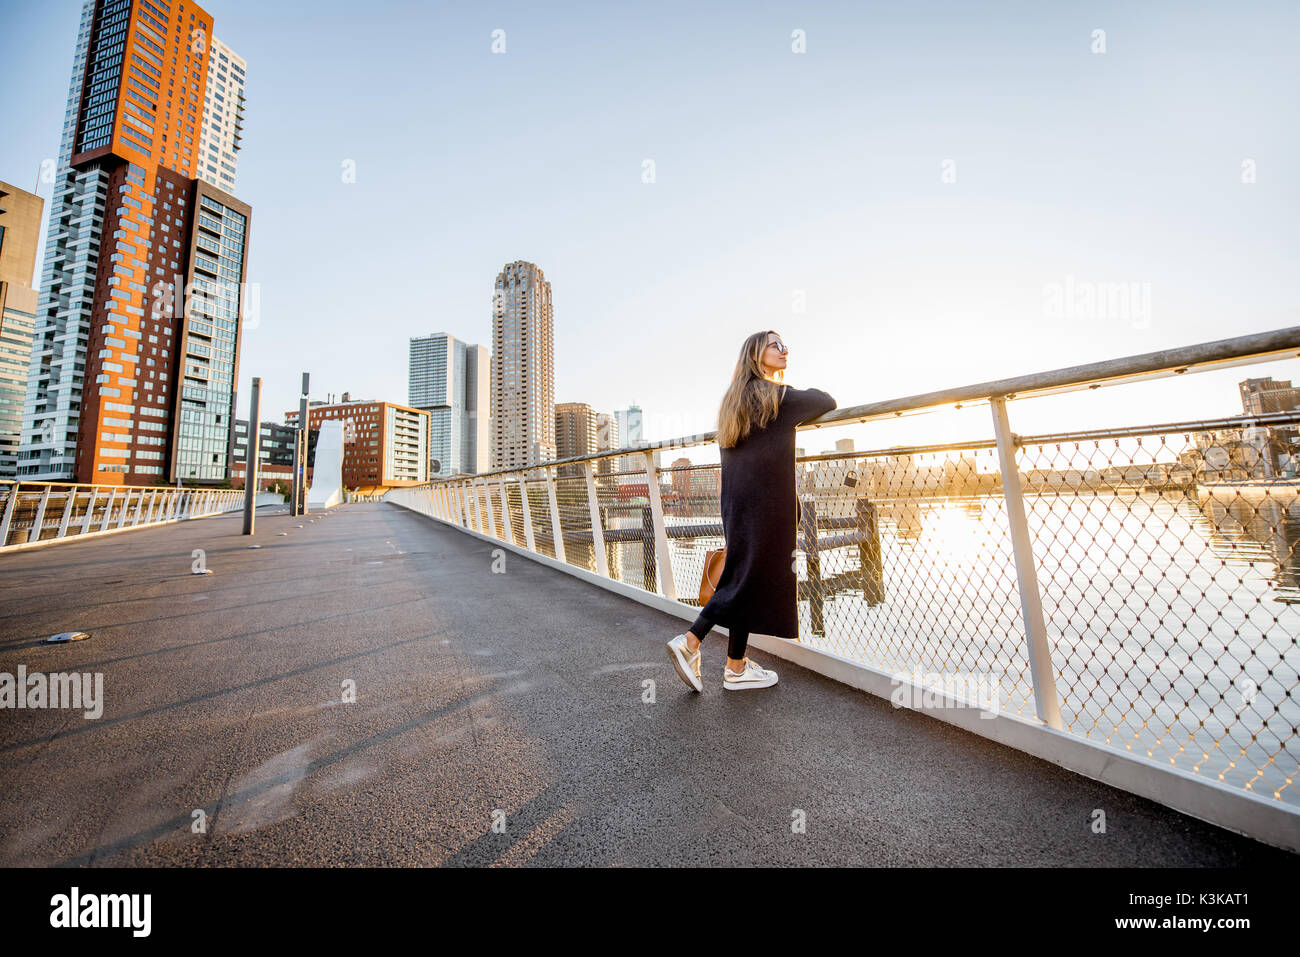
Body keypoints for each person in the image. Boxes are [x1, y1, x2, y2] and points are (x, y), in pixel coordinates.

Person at [667, 330, 837, 691]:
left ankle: (736, 668)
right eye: (776, 345)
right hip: (767, 503)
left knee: (745, 574)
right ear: (756, 354)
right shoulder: (776, 396)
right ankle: (691, 640)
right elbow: (826, 400)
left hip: (736, 501)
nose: (784, 349)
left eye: (785, 344)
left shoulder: (733, 401)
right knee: (743, 579)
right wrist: (785, 388)